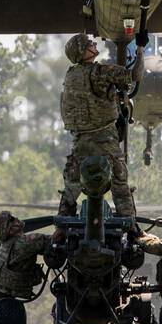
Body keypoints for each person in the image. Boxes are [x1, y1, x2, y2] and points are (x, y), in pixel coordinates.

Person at [58, 33, 137, 217]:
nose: (94, 44)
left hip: (80, 140)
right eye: (89, 44)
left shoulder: (71, 75)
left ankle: (61, 226)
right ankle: (131, 225)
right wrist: (140, 49)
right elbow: (133, 75)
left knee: (71, 184)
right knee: (119, 180)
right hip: (105, 139)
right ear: (83, 52)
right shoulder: (99, 73)